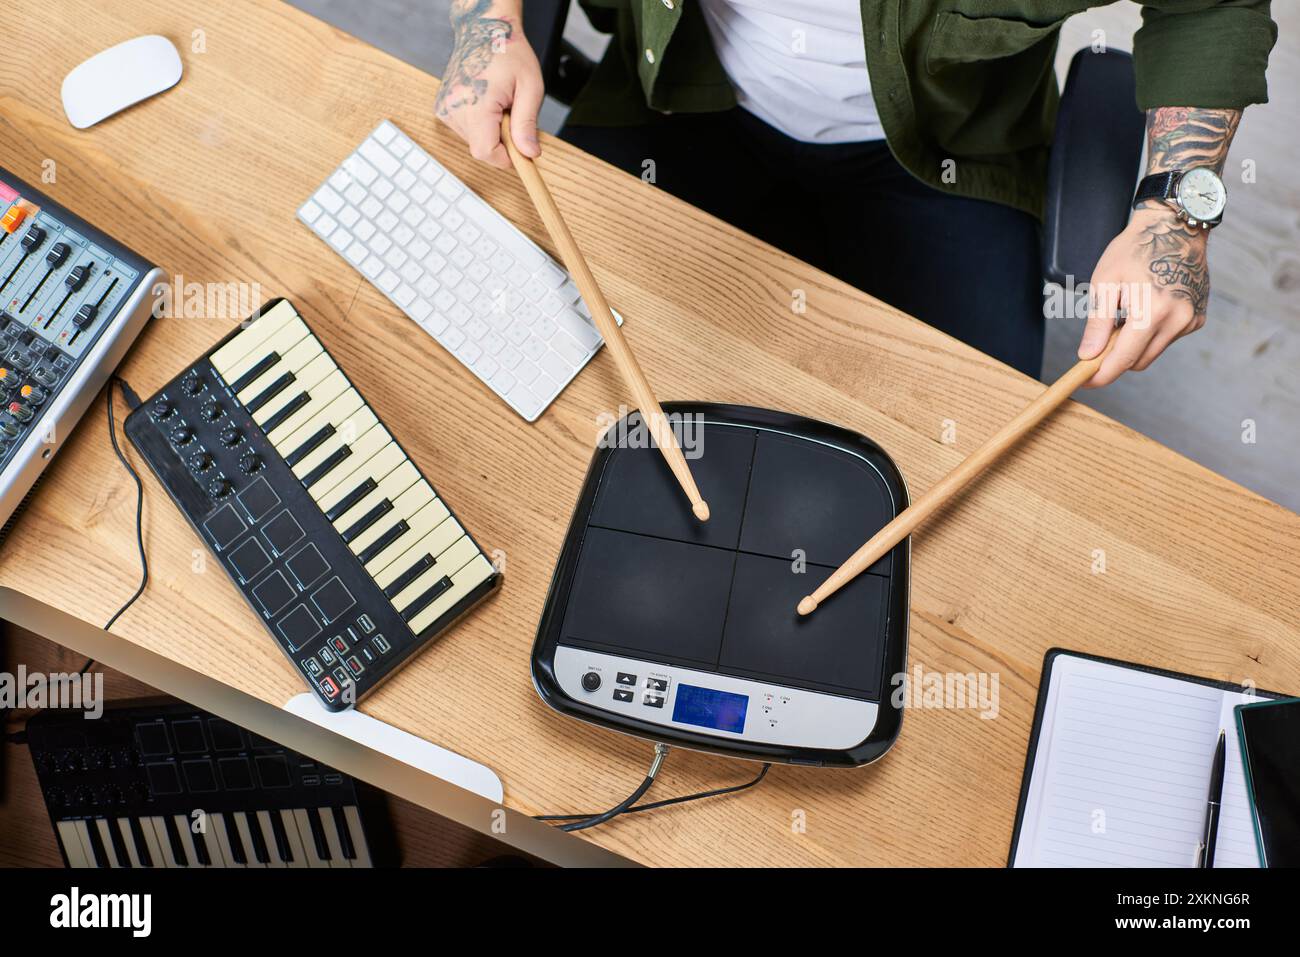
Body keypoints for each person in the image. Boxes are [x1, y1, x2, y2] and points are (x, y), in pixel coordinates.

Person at [433, 0, 1276, 384]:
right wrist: (490, 20)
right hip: (680, 94)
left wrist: (1174, 211)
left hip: (949, 154)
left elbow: (1213, 9)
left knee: (951, 471)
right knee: (528, 354)